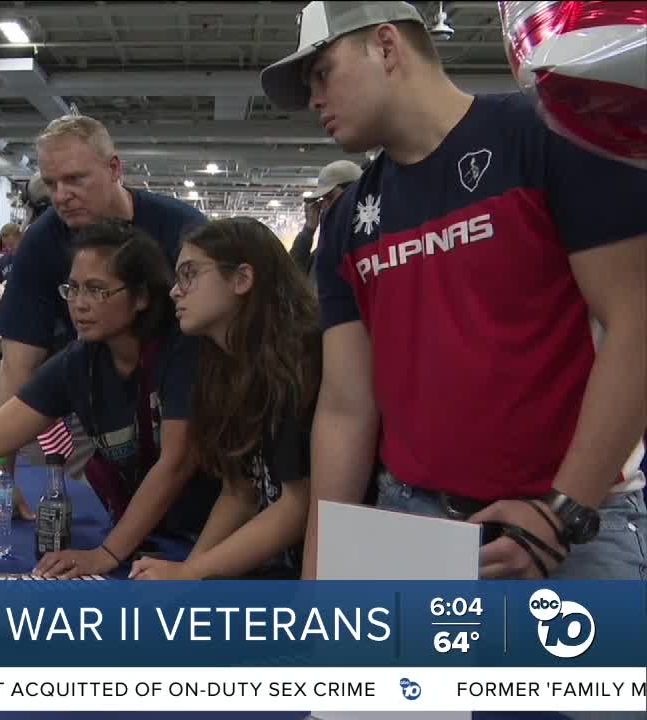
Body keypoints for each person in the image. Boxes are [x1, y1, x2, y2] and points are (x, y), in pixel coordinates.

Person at [261, 1, 647, 580]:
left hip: (570, 532)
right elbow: (345, 408)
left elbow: (635, 322)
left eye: (323, 74)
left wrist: (564, 510)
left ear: (386, 47)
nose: (315, 99)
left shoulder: (547, 138)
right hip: (414, 526)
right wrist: (320, 576)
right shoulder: (349, 223)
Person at [0, 221, 218, 576]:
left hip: (202, 545)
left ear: (141, 296)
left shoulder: (180, 352)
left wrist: (107, 554)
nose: (79, 305)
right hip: (145, 539)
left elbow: (176, 463)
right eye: (74, 289)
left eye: (97, 290)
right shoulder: (80, 361)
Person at [0, 113, 207, 516]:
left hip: (192, 404)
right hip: (100, 408)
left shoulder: (183, 231)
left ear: (114, 169)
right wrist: (3, 472)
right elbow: (16, 366)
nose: (61, 196)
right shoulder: (43, 242)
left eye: (75, 179)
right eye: (52, 184)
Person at [130, 218, 320, 580]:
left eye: (189, 274)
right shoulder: (226, 367)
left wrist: (188, 575)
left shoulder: (303, 360)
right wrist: (188, 574)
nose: (174, 291)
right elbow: (240, 492)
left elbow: (298, 505)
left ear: (242, 279)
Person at [289, 159, 362, 283]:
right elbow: (293, 279)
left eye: (330, 197)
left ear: (353, 191)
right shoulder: (324, 250)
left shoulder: (369, 242)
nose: (324, 206)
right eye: (323, 199)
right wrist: (308, 230)